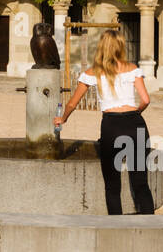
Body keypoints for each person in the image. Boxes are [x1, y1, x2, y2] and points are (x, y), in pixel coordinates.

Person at [53, 29, 155, 216]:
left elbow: (72, 103)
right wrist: (135, 114)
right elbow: (146, 99)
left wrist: (63, 118)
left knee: (112, 184)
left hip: (111, 126)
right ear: (120, 47)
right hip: (136, 124)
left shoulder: (93, 73)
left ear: (101, 47)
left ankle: (115, 229)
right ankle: (151, 226)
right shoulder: (133, 69)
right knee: (140, 182)